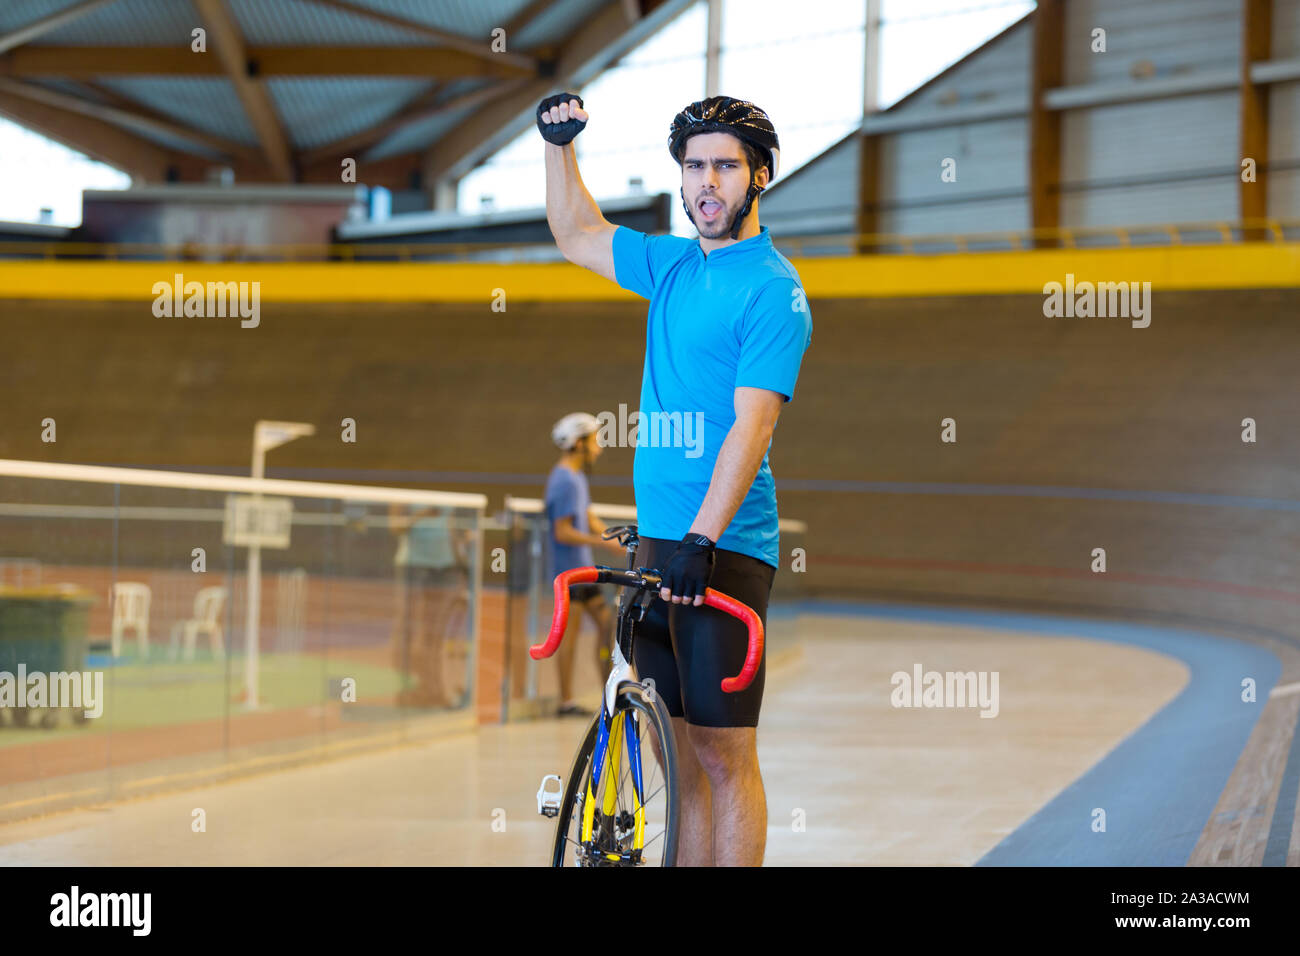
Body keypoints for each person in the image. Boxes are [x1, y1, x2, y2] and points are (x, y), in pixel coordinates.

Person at [538, 94, 812, 865]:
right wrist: (559, 147)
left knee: (724, 756)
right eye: (695, 166)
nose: (707, 183)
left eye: (725, 166)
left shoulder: (772, 289)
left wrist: (703, 535)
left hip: (721, 545)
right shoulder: (669, 266)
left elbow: (752, 426)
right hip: (664, 542)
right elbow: (575, 232)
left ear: (760, 175)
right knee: (677, 756)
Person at [544, 412, 624, 717]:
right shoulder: (564, 479)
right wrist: (601, 544)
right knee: (571, 635)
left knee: (606, 626)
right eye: (593, 440)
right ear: (578, 443)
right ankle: (565, 701)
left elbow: (587, 518)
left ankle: (610, 692)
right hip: (569, 574)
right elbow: (561, 531)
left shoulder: (575, 477)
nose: (599, 447)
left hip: (583, 572)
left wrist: (611, 538)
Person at [388, 502, 470, 708]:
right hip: (414, 565)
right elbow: (395, 526)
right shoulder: (405, 486)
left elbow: (449, 529)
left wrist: (462, 567)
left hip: (444, 567)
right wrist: (421, 516)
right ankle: (405, 688)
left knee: (434, 634)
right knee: (407, 630)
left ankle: (433, 689)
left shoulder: (445, 487)